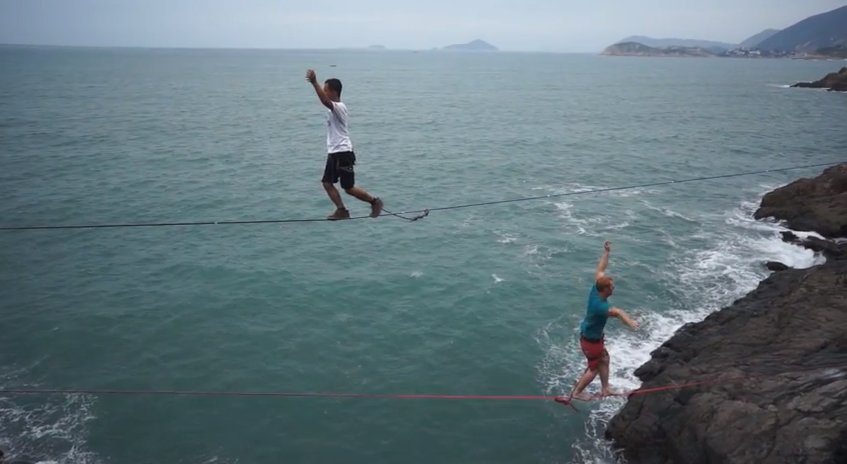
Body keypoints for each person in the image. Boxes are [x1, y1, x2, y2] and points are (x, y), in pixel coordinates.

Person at [305, 69, 383, 220]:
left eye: (325, 89)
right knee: (327, 183)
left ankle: (374, 201)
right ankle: (342, 210)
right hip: (334, 152)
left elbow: (325, 101)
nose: (323, 92)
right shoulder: (332, 110)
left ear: (334, 92)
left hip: (343, 152)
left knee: (348, 188)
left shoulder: (339, 107)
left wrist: (314, 83)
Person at [570, 240, 639, 401]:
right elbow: (617, 312)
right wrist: (630, 323)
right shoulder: (599, 307)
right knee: (593, 368)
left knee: (605, 359)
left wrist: (607, 252)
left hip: (593, 338)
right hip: (591, 341)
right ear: (605, 289)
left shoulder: (596, 287)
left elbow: (601, 268)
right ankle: (578, 392)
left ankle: (605, 388)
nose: (614, 288)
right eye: (611, 286)